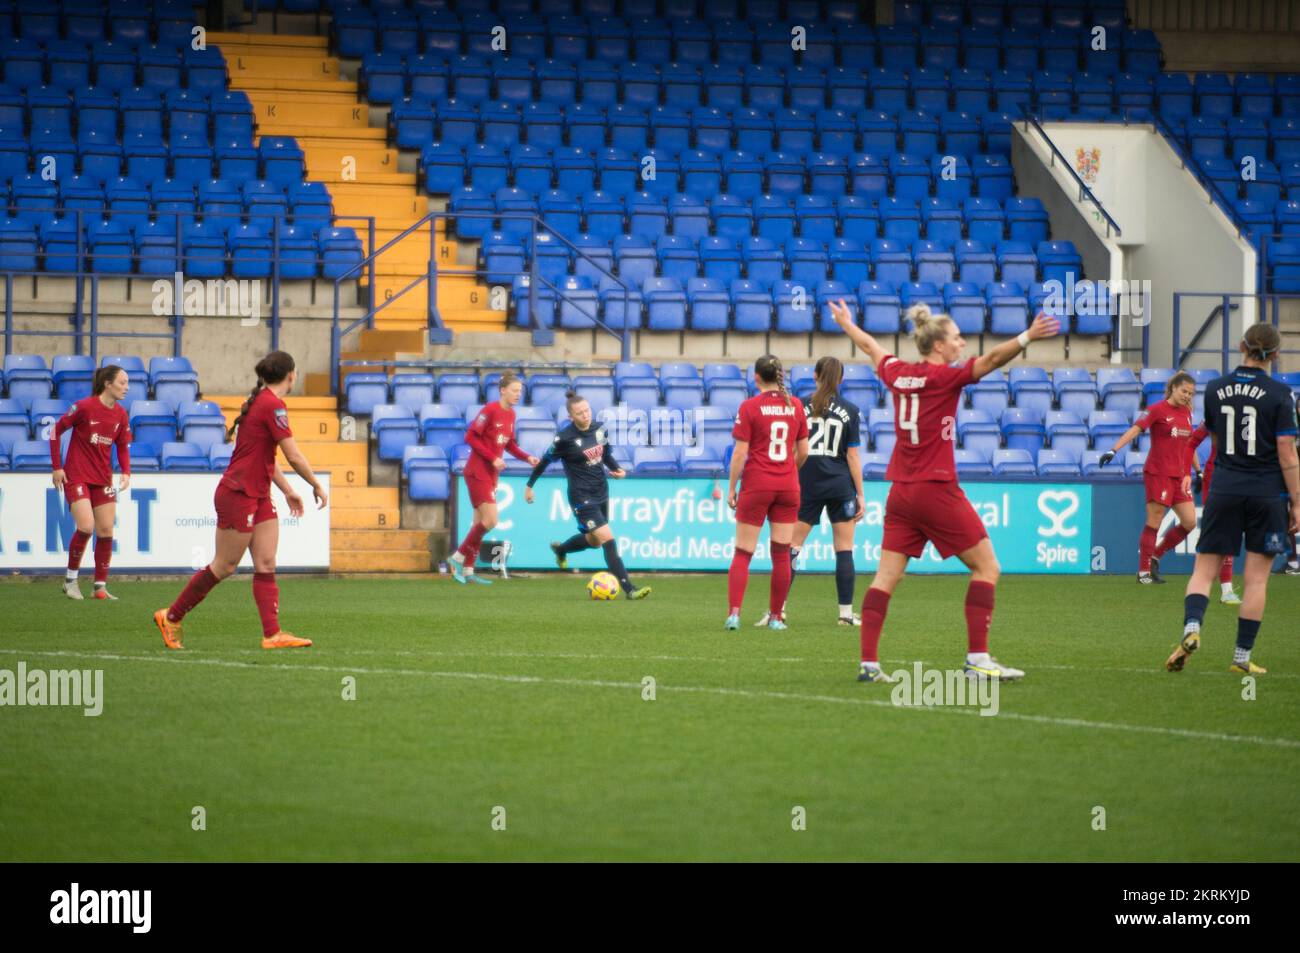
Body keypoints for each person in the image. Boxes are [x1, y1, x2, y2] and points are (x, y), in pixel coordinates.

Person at [829, 299, 1059, 682]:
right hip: (935, 487)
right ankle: (977, 659)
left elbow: (870, 347)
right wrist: (1027, 336)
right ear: (938, 346)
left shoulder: (898, 373)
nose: (963, 343)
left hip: (901, 490)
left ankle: (869, 664)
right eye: (956, 338)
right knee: (987, 567)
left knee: (886, 577)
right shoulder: (944, 378)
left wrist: (846, 324)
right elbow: (991, 361)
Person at [153, 351, 326, 650]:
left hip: (257, 493)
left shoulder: (260, 402)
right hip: (238, 493)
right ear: (291, 375)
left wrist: (286, 490)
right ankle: (171, 616)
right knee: (224, 566)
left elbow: (264, 458)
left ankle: (272, 635)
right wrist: (315, 485)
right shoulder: (272, 405)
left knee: (266, 562)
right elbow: (293, 455)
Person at [1166, 324, 1300, 675]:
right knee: (1256, 580)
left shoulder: (1215, 389)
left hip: (1223, 488)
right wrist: (1297, 502)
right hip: (1266, 493)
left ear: (1241, 346)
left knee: (1203, 570)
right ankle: (1241, 658)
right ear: (1274, 354)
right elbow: (1287, 453)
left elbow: (1216, 435)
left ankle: (1192, 629)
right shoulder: (1280, 395)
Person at [754, 356, 864, 628]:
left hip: (806, 484)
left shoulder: (797, 406)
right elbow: (852, 457)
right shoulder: (850, 410)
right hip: (840, 485)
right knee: (844, 549)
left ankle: (778, 611)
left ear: (814, 375)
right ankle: (846, 614)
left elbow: (794, 449)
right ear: (841, 379)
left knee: (790, 549)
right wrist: (860, 494)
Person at [524, 391, 650, 599]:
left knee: (594, 541)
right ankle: (629, 589)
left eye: (587, 410)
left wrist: (617, 470)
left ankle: (561, 550)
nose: (585, 415)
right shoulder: (564, 438)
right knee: (608, 539)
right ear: (571, 417)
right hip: (581, 497)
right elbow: (545, 461)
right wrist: (529, 486)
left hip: (601, 492)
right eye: (580, 413)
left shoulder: (599, 429)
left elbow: (605, 455)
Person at [725, 354, 810, 631]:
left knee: (743, 552)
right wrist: (788, 470)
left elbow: (740, 454)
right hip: (787, 486)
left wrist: (732, 487)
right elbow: (804, 451)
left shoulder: (749, 406)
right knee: (782, 555)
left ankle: (734, 615)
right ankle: (776, 618)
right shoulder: (796, 405)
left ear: (756, 377)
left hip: (757, 484)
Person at [1098, 372, 1197, 584]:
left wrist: (1198, 470)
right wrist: (1113, 450)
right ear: (1173, 388)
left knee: (1189, 522)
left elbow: (1190, 444)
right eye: (1184, 391)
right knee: (1155, 520)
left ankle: (1155, 556)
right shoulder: (1156, 410)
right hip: (1158, 472)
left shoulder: (1188, 413)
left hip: (1180, 476)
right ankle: (1143, 572)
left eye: (1191, 393)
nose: (1187, 396)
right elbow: (1136, 429)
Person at [449, 371, 540, 584]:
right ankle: (457, 558)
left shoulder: (511, 415)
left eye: (520, 391)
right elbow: (470, 436)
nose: (519, 394)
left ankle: (469, 570)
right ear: (503, 390)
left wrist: (527, 457)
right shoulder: (490, 410)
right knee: (491, 520)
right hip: (477, 471)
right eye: (515, 390)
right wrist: (492, 458)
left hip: (491, 474)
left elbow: (509, 444)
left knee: (479, 524)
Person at [50, 365, 132, 600]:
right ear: (107, 383)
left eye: (127, 383)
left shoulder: (121, 414)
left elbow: (122, 446)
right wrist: (57, 466)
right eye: (122, 382)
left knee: (105, 530)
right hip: (76, 475)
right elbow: (56, 431)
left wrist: (126, 471)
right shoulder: (84, 407)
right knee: (86, 526)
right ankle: (70, 580)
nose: (126, 387)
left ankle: (100, 587)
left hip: (102, 477)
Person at [1187, 423, 1241, 603]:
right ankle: (1208, 586)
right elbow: (1191, 441)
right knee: (1216, 531)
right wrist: (1188, 473)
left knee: (1230, 530)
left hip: (1240, 476)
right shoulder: (1216, 411)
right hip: (1215, 477)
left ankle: (1226, 590)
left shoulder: (1251, 412)